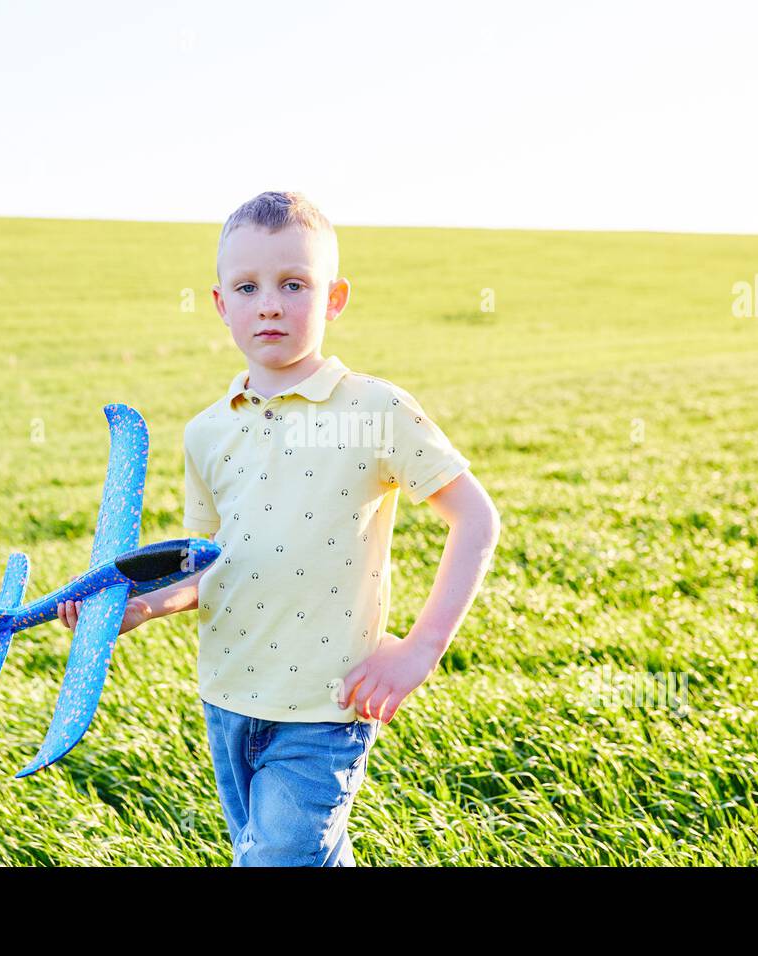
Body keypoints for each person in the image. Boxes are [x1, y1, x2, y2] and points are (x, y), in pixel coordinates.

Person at [58, 190, 501, 865]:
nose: (269, 303)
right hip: (229, 697)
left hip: (326, 705)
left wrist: (417, 651)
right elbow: (206, 565)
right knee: (300, 856)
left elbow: (475, 518)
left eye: (293, 284)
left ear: (334, 298)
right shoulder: (207, 431)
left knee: (274, 860)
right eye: (248, 286)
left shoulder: (373, 409)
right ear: (221, 304)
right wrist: (142, 608)